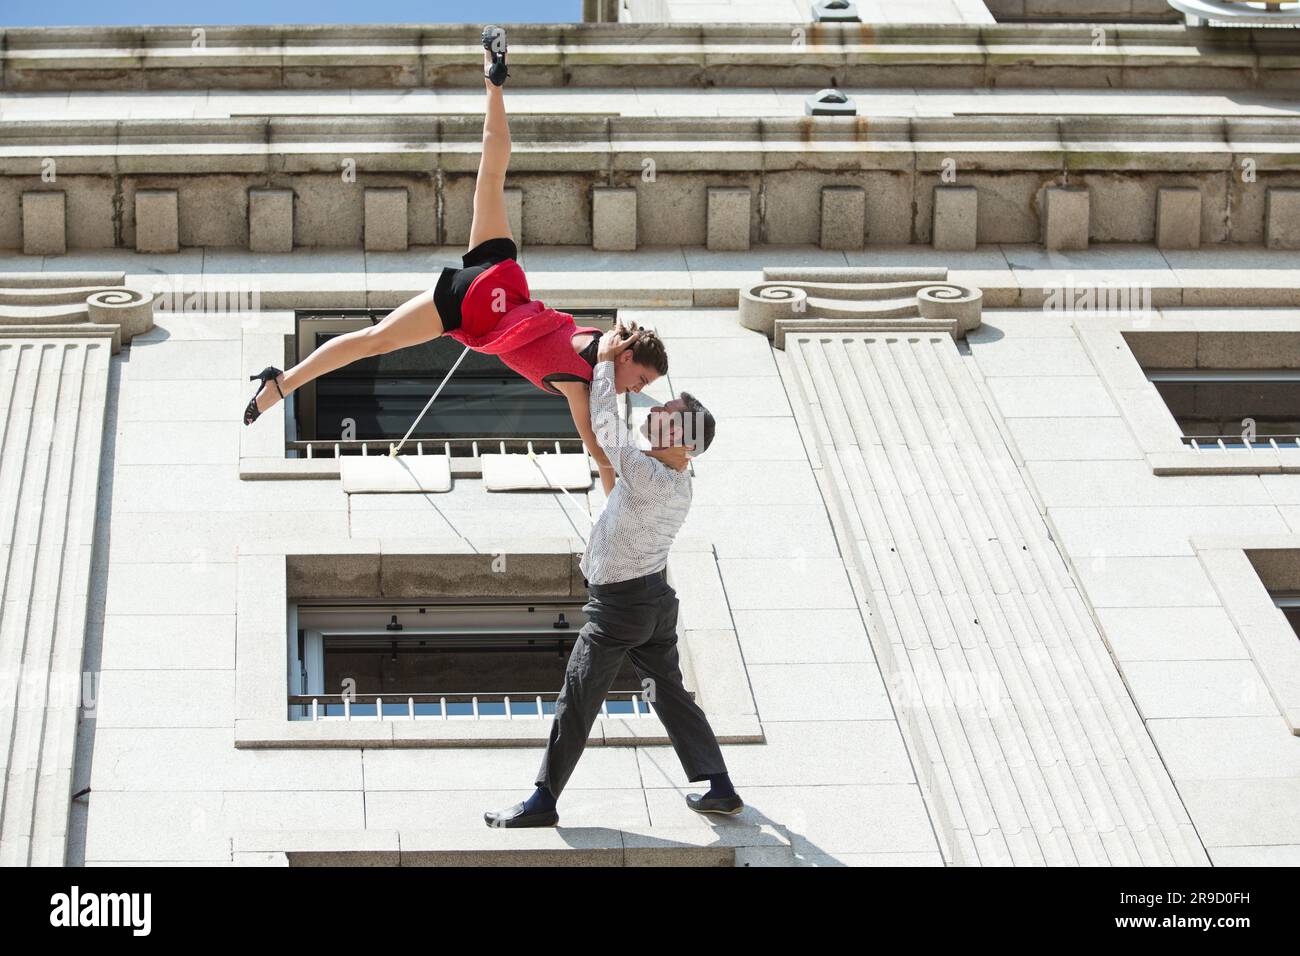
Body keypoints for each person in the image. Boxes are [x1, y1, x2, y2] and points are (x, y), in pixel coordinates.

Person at [241, 25, 668, 496]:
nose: (637, 388)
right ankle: (281, 384)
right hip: (475, 307)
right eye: (641, 378)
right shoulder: (585, 379)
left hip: (500, 276)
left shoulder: (600, 351)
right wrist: (615, 526)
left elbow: (603, 420)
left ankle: (494, 79)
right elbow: (598, 450)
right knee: (373, 341)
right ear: (628, 359)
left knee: (492, 172)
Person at [484, 324, 742, 828]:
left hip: (620, 608)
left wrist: (603, 361)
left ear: (683, 444)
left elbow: (604, 427)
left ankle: (543, 800)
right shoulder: (678, 480)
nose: (654, 413)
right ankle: (719, 786)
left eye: (666, 418)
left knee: (578, 697)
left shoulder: (650, 474)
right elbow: (616, 442)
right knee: (669, 692)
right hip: (652, 604)